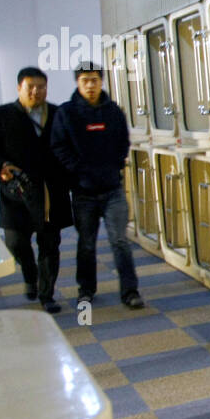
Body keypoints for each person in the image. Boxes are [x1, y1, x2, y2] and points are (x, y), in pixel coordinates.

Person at [0, 66, 74, 313]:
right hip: (17, 191)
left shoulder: (58, 113)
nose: (36, 91)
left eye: (41, 87)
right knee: (16, 242)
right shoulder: (0, 115)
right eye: (30, 86)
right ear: (19, 87)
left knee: (50, 244)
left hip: (51, 190)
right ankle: (29, 274)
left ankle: (47, 294)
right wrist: (2, 165)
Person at [50, 61, 145, 309]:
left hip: (112, 189)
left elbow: (123, 143)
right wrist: (78, 170)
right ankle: (86, 290)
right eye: (85, 81)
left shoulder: (113, 111)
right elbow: (58, 146)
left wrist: (113, 167)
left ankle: (130, 290)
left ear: (101, 81)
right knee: (87, 243)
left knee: (119, 241)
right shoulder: (66, 112)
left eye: (94, 80)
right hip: (83, 192)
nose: (90, 85)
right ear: (78, 83)